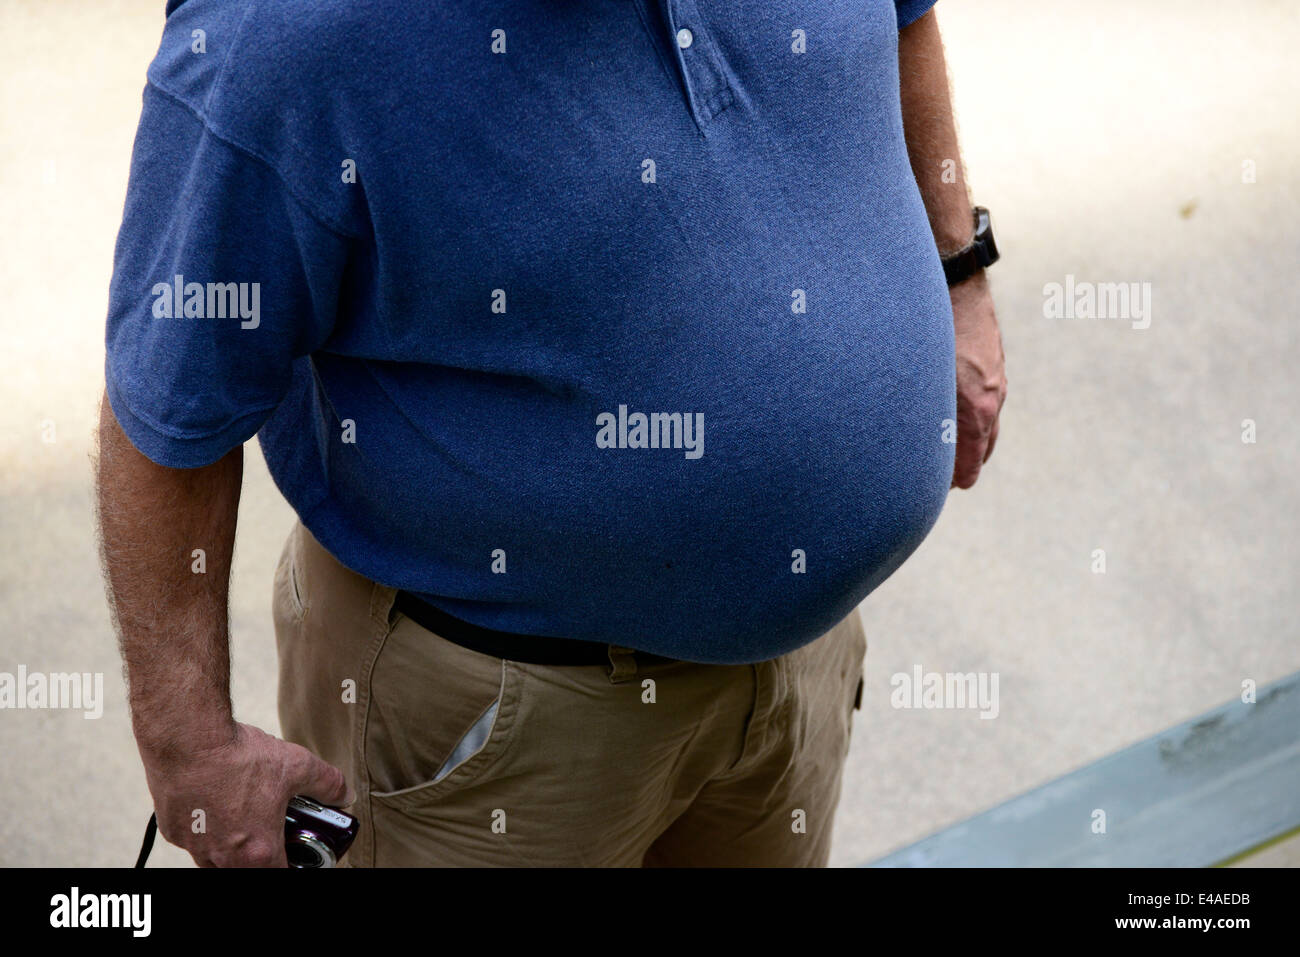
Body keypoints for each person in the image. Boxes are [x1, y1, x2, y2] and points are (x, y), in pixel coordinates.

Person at [97, 0, 1007, 867]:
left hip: (799, 668)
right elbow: (168, 405)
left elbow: (900, 16)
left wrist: (959, 270)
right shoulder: (283, 36)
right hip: (501, 728)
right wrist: (189, 748)